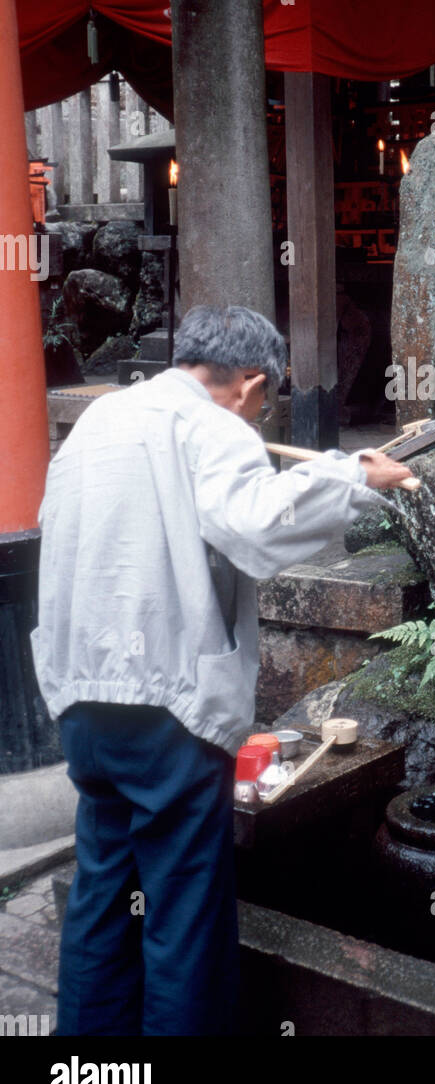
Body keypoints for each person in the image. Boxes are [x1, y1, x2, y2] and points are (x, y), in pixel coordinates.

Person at [31, 304, 411, 1036]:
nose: (261, 416)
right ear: (249, 383)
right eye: (266, 401)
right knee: (183, 912)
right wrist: (356, 476)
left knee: (102, 893)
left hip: (81, 694)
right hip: (165, 707)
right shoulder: (212, 424)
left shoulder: (101, 423)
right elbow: (257, 521)